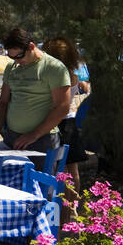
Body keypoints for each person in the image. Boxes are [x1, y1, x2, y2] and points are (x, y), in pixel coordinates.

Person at [0, 27, 71, 151]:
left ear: (31, 46)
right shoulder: (12, 67)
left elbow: (62, 107)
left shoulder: (53, 67)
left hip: (42, 139)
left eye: (19, 56)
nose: (17, 61)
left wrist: (34, 134)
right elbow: (3, 102)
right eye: (12, 57)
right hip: (11, 137)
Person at [42, 37, 90, 192]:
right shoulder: (73, 75)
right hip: (70, 121)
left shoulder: (56, 75)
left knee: (57, 169)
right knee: (72, 170)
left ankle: (62, 202)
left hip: (56, 121)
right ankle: (73, 203)